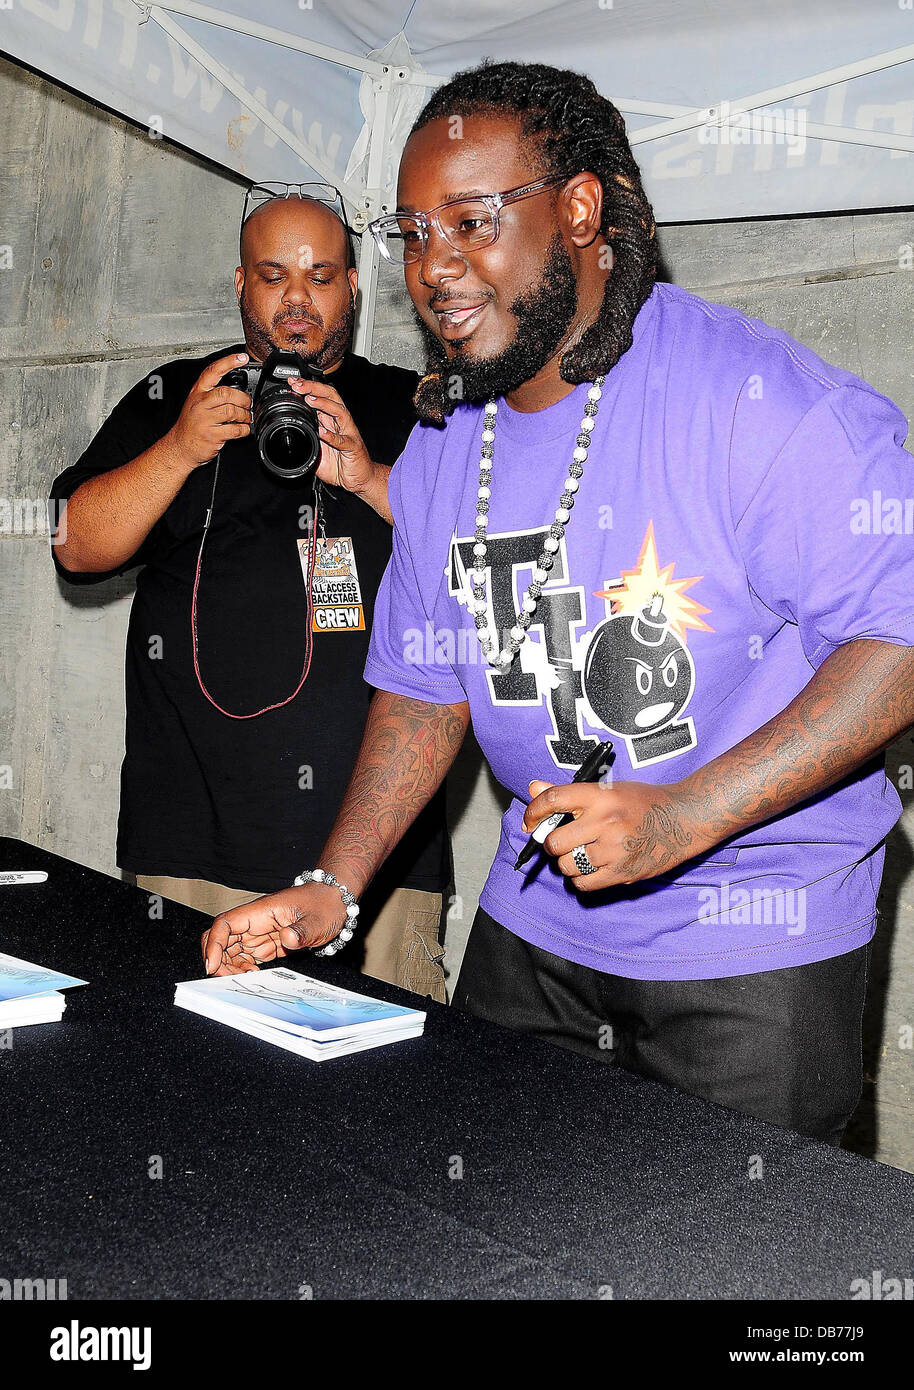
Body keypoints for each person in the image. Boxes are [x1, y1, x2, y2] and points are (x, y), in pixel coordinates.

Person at [201, 64, 914, 1142]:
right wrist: (334, 888)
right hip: (532, 928)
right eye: (411, 232)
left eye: (471, 221)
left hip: (751, 949)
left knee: (735, 1276)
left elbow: (899, 632)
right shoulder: (444, 439)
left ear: (579, 211)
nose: (434, 268)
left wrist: (682, 815)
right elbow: (424, 686)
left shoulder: (753, 399)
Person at [50, 184, 449, 1000]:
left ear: (353, 286)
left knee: (379, 1113)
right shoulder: (177, 395)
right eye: (273, 275)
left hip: (375, 866)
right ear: (240, 284)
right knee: (186, 1094)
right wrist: (179, 449)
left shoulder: (415, 406)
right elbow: (73, 545)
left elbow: (488, 568)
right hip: (190, 851)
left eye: (322, 275)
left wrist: (370, 476)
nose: (298, 299)